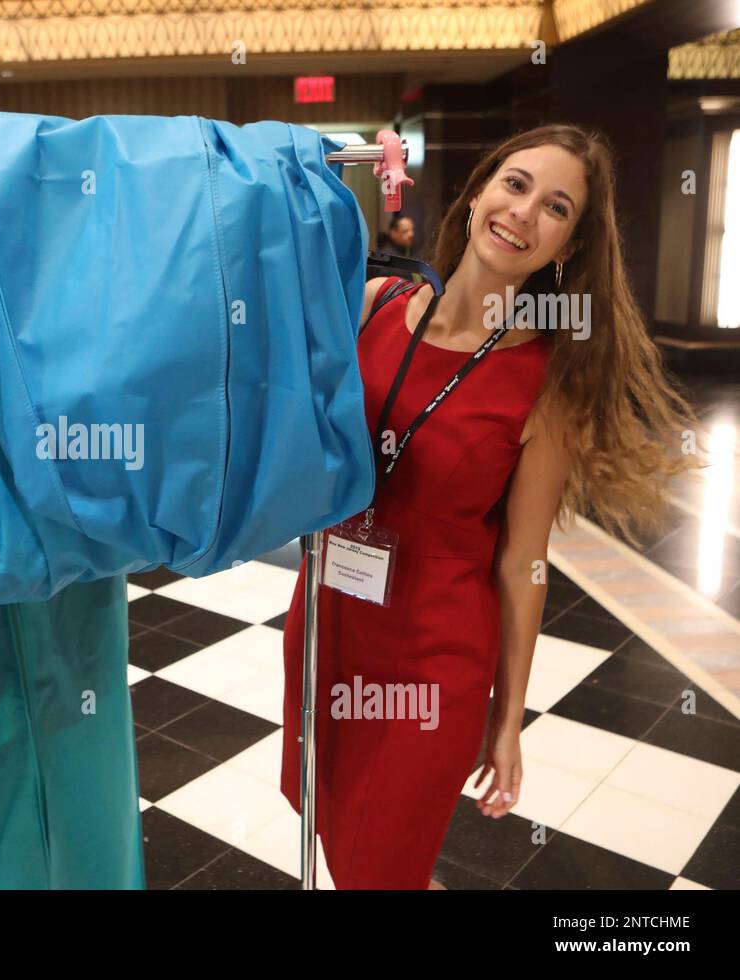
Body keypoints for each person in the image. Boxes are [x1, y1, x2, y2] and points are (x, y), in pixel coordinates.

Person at [280, 124, 701, 889]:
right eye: (515, 184)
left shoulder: (547, 383)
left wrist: (508, 721)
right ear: (478, 192)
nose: (523, 211)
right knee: (342, 835)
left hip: (431, 660)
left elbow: (522, 563)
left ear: (567, 247)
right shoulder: (375, 303)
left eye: (556, 207)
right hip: (330, 619)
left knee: (380, 863)